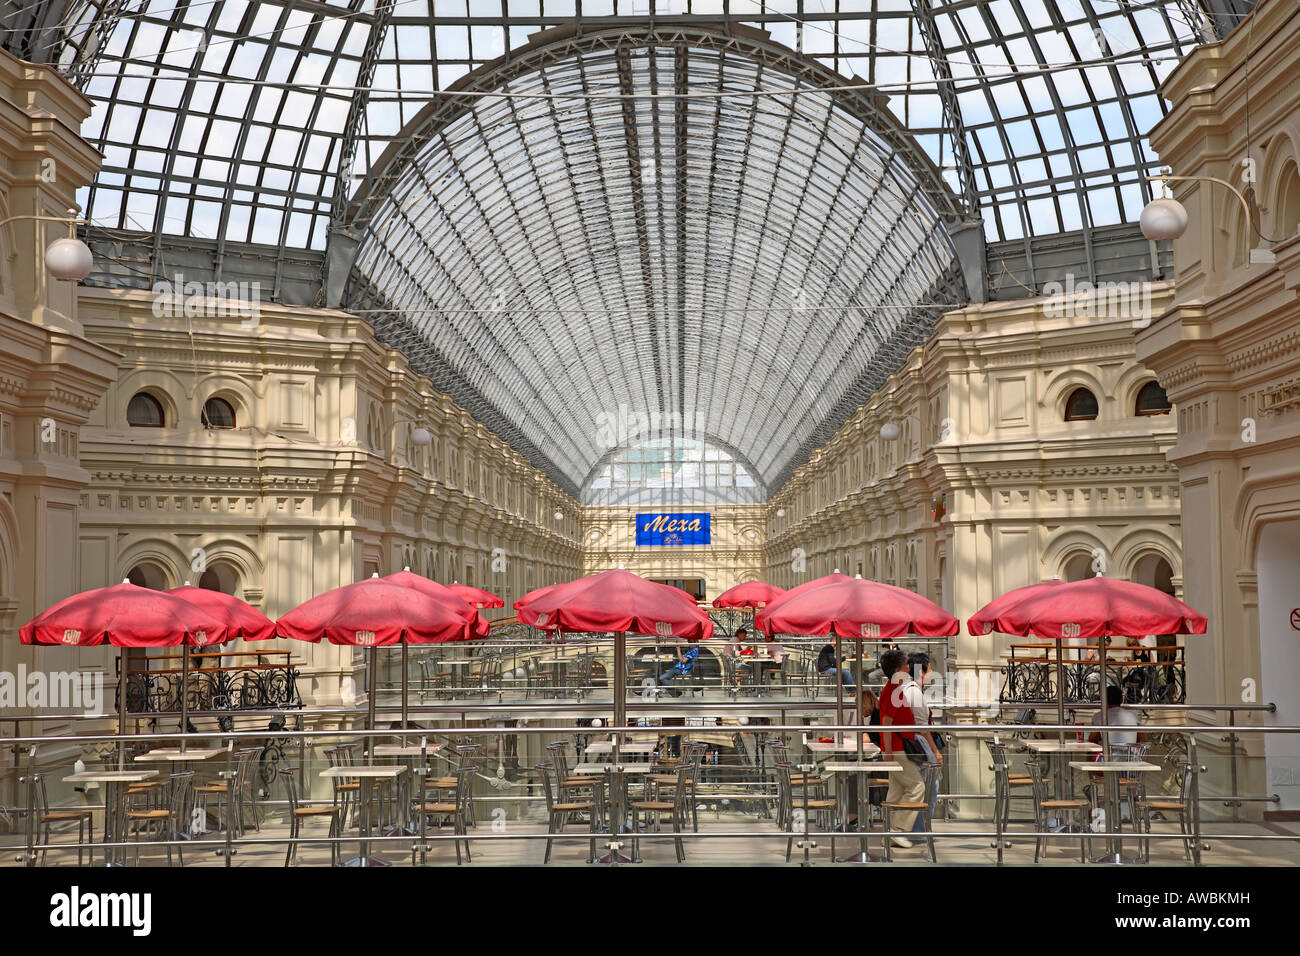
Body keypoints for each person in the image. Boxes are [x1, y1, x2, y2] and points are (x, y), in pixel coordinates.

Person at [877, 647, 941, 848]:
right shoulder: (893, 690)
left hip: (897, 747)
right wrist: (888, 753)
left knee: (897, 791)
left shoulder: (894, 688)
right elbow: (887, 723)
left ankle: (890, 830)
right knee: (917, 786)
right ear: (898, 668)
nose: (908, 666)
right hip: (898, 748)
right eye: (905, 664)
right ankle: (897, 829)